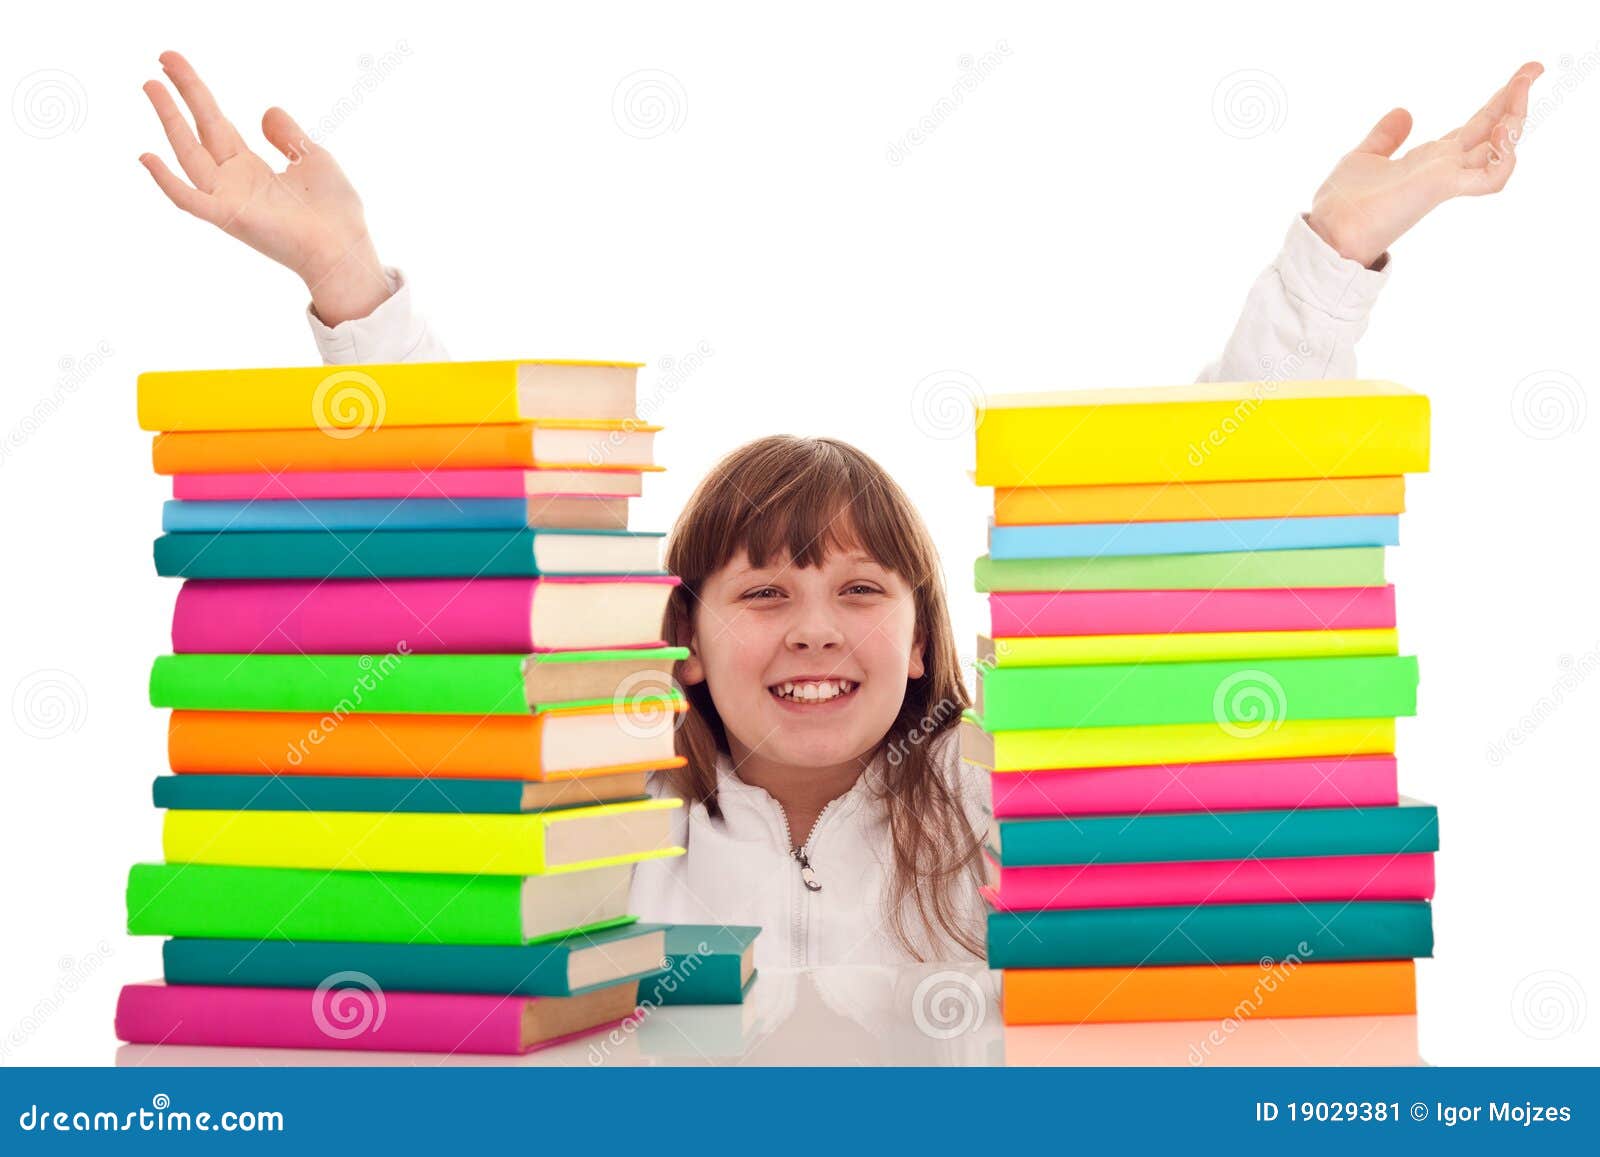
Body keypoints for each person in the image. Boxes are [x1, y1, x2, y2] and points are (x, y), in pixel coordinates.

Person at [139, 50, 1542, 967]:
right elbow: (465, 556)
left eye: (862, 588)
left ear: (927, 639)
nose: (816, 625)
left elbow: (1212, 518)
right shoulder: (604, 817)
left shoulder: (1007, 800)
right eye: (765, 590)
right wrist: (349, 283)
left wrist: (1337, 252)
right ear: (679, 634)